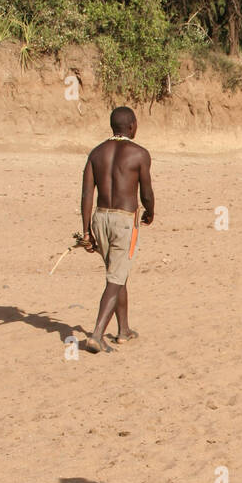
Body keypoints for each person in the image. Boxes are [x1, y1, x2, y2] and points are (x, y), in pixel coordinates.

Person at [80, 107, 154, 353]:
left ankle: (123, 330)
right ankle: (97, 335)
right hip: (124, 221)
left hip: (100, 218)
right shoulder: (139, 154)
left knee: (117, 274)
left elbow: (87, 194)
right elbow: (146, 192)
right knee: (115, 278)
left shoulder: (96, 153)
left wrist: (86, 231)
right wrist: (150, 211)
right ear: (132, 126)